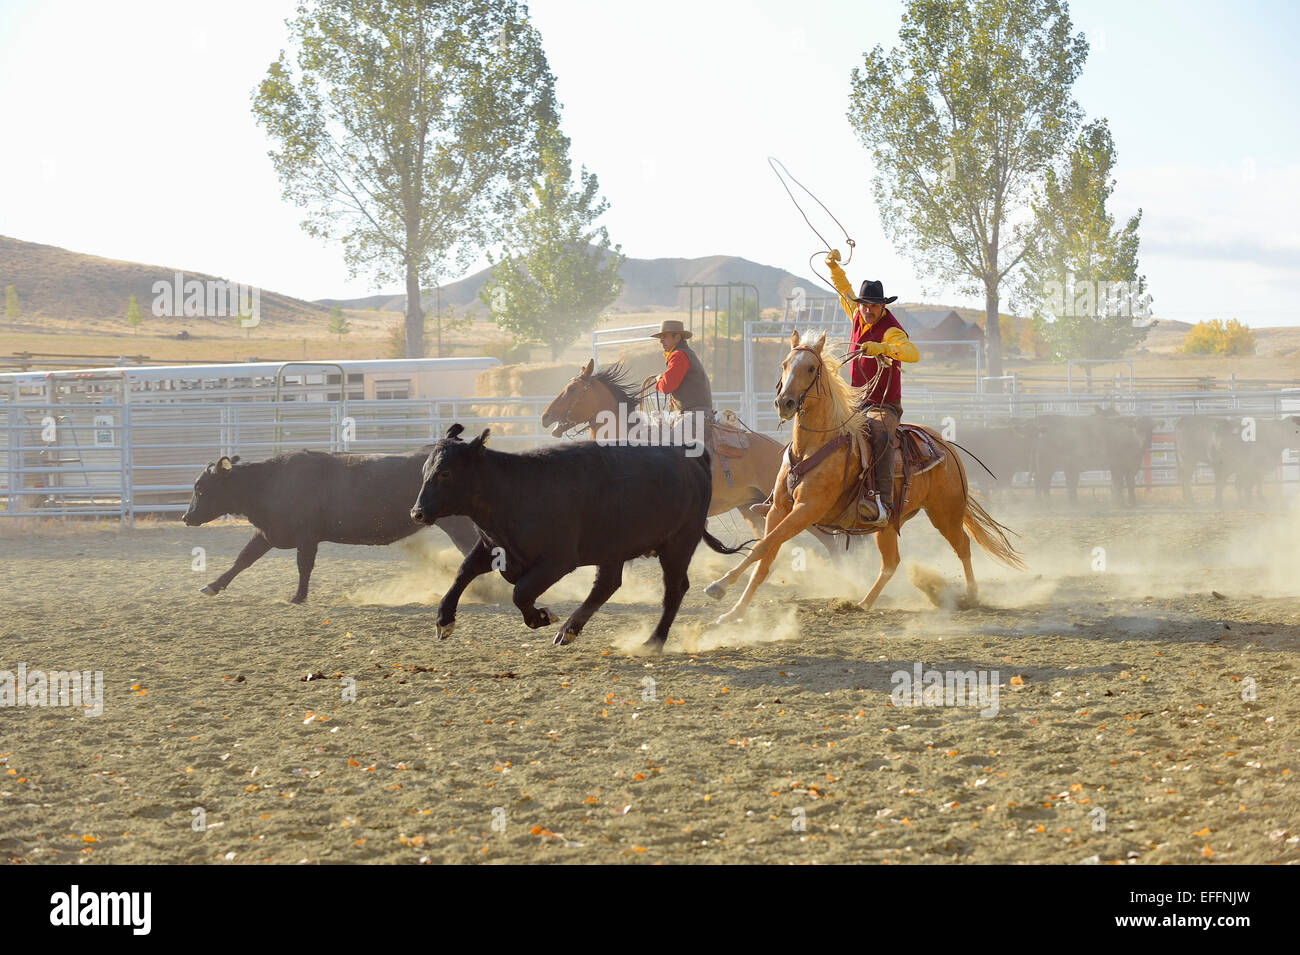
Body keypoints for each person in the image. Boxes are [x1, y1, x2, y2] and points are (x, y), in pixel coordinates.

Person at [826, 249, 919, 525]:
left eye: (873, 306)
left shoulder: (891, 329)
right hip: (856, 402)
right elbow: (844, 289)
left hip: (883, 405)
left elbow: (912, 353)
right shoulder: (857, 314)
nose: (867, 310)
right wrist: (833, 267)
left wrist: (883, 347)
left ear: (882, 308)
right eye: (864, 305)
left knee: (879, 432)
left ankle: (884, 502)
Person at [647, 319, 713, 451]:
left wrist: (659, 379)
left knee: (667, 448)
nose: (661, 341)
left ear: (677, 337)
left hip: (693, 416)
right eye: (661, 337)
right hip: (693, 414)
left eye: (664, 337)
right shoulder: (685, 353)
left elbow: (666, 387)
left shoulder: (679, 355)